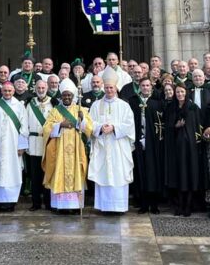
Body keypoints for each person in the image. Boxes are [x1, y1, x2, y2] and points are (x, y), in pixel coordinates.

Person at [42, 79, 94, 213]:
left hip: (76, 148)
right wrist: (60, 125)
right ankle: (62, 206)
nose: (66, 97)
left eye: (69, 95)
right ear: (61, 96)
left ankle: (76, 206)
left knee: (77, 171)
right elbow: (46, 128)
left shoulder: (80, 109)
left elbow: (89, 129)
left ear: (73, 96)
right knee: (59, 171)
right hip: (59, 149)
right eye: (64, 95)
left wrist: (82, 121)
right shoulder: (55, 111)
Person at [88, 67, 135, 214]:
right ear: (103, 87)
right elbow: (90, 123)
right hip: (102, 146)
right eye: (107, 87)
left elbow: (129, 125)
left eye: (111, 88)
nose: (109, 90)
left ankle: (119, 207)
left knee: (118, 174)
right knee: (103, 175)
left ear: (116, 88)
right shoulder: (96, 105)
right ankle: (105, 207)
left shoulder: (124, 105)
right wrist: (100, 128)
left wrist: (114, 128)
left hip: (118, 147)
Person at [0, 82, 29, 211]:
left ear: (13, 91)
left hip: (13, 145)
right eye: (5, 91)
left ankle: (10, 202)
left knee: (12, 172)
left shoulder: (19, 106)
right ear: (1, 91)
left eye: (10, 91)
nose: (7, 93)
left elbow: (24, 126)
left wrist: (21, 146)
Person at [164, 82, 202, 216]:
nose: (180, 94)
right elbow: (167, 127)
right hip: (175, 149)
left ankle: (188, 206)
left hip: (190, 149)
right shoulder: (171, 107)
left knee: (189, 175)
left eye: (182, 92)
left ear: (186, 92)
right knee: (179, 176)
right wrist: (176, 126)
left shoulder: (193, 108)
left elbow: (197, 126)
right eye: (178, 92)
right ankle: (179, 205)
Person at [131, 77, 165, 214]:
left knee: (153, 171)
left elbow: (161, 123)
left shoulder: (157, 103)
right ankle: (143, 204)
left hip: (153, 143)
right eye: (143, 85)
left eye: (147, 85)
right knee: (141, 171)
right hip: (138, 141)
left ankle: (154, 204)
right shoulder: (133, 102)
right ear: (139, 87)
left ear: (151, 87)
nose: (145, 88)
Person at [26, 80, 54, 210]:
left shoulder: (53, 103)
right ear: (35, 88)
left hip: (48, 143)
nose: (41, 89)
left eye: (43, 87)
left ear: (47, 88)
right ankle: (35, 203)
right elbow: (25, 124)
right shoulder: (30, 104)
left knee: (47, 174)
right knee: (35, 176)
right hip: (33, 143)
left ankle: (48, 202)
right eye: (39, 87)